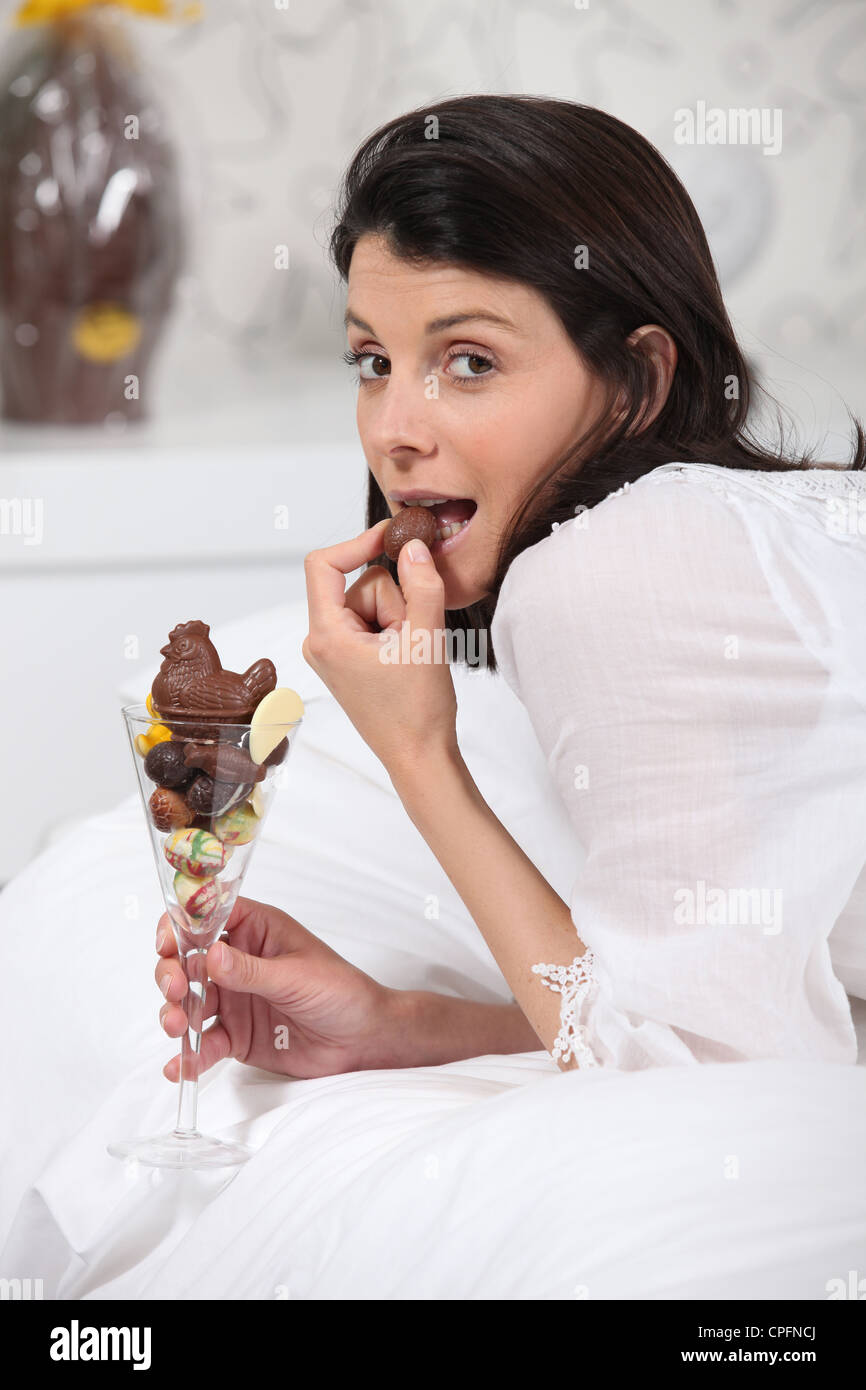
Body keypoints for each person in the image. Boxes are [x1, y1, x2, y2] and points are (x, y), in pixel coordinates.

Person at [155, 95, 866, 1081]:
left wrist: (416, 750)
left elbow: (693, 1079)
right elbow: (777, 1011)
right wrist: (401, 1024)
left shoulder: (622, 561)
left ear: (636, 381)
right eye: (373, 360)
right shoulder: (733, 533)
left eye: (470, 361)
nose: (394, 426)